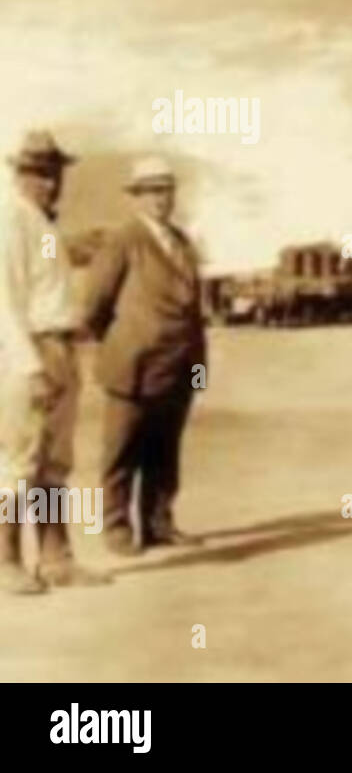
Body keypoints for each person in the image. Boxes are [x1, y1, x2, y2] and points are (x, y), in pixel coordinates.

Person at [0, 130, 110, 592]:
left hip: (61, 347)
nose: (49, 181)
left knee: (55, 461)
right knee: (17, 459)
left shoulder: (43, 224)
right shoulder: (10, 218)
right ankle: (4, 562)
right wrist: (29, 365)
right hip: (28, 350)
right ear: (20, 173)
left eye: (54, 172)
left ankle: (55, 558)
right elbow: (3, 300)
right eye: (39, 172)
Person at [83, 156, 206, 555]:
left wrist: (198, 373)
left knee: (165, 451)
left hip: (180, 365)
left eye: (166, 189)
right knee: (122, 450)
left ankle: (158, 523)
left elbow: (195, 312)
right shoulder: (123, 240)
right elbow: (94, 304)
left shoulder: (183, 242)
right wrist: (122, 342)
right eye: (151, 190)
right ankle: (117, 529)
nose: (160, 198)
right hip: (132, 367)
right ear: (136, 197)